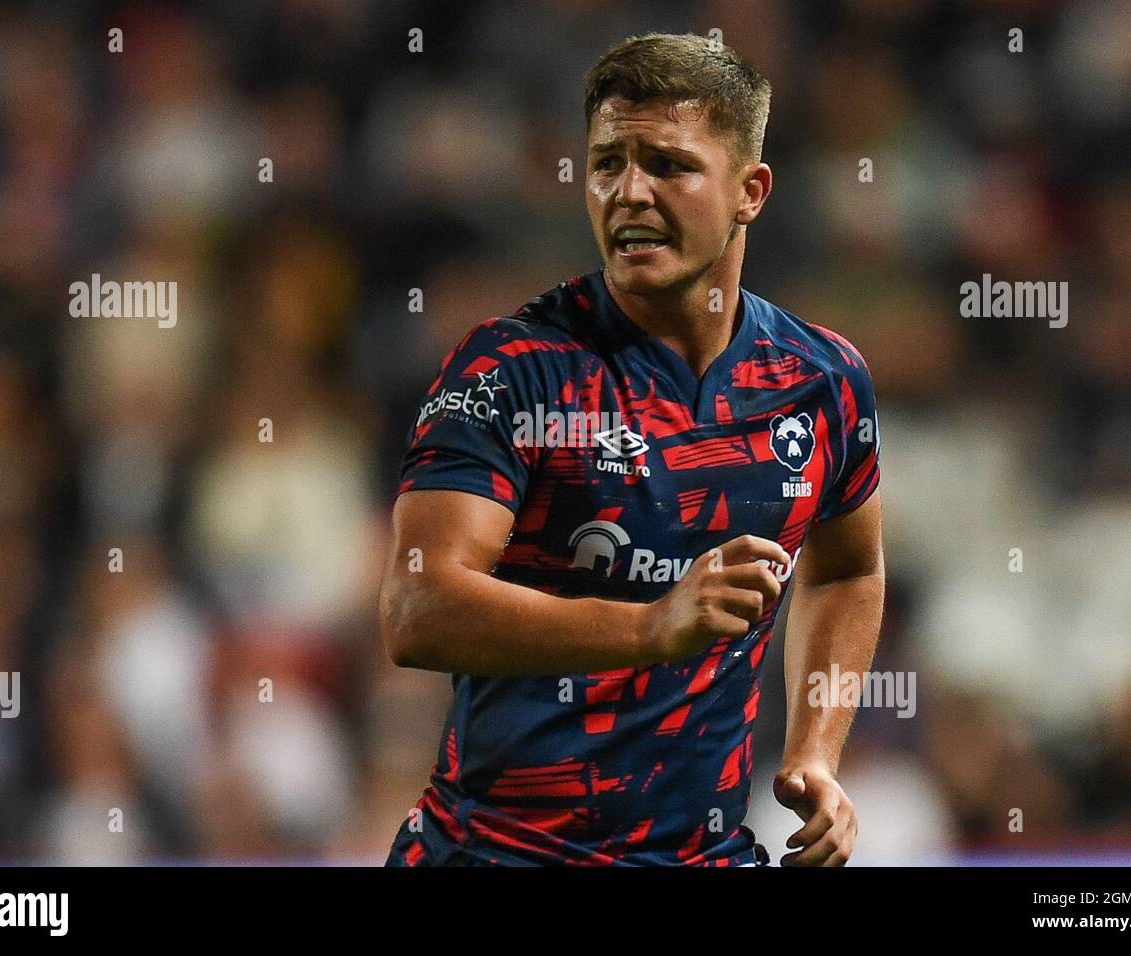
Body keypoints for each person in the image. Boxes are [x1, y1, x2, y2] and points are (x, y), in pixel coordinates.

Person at [379, 32, 884, 866]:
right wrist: (651, 627)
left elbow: (847, 571)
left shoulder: (821, 379)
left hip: (703, 854)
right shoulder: (515, 368)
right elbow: (416, 609)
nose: (629, 192)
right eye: (607, 163)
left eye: (669, 165)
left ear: (750, 191)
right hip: (497, 853)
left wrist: (814, 753)